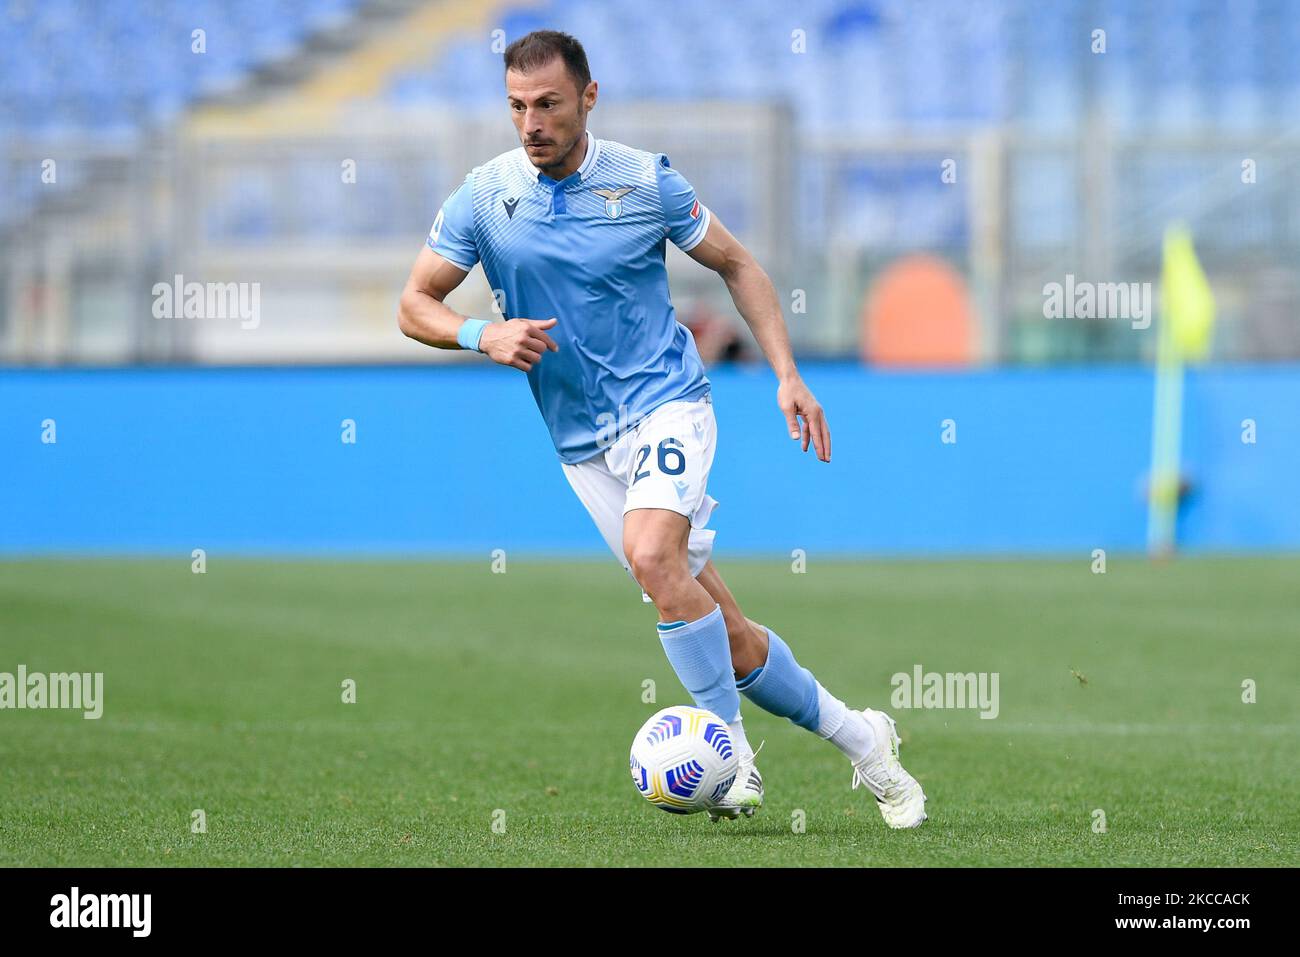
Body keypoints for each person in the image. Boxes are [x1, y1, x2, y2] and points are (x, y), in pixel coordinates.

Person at [397, 30, 925, 827]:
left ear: (587, 98)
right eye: (516, 107)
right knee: (723, 629)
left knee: (652, 554)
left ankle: (731, 754)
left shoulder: (646, 180)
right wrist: (480, 334)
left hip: (666, 403)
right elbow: (413, 304)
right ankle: (866, 743)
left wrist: (786, 372)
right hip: (581, 444)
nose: (530, 122)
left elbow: (738, 264)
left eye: (547, 104)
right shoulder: (484, 197)